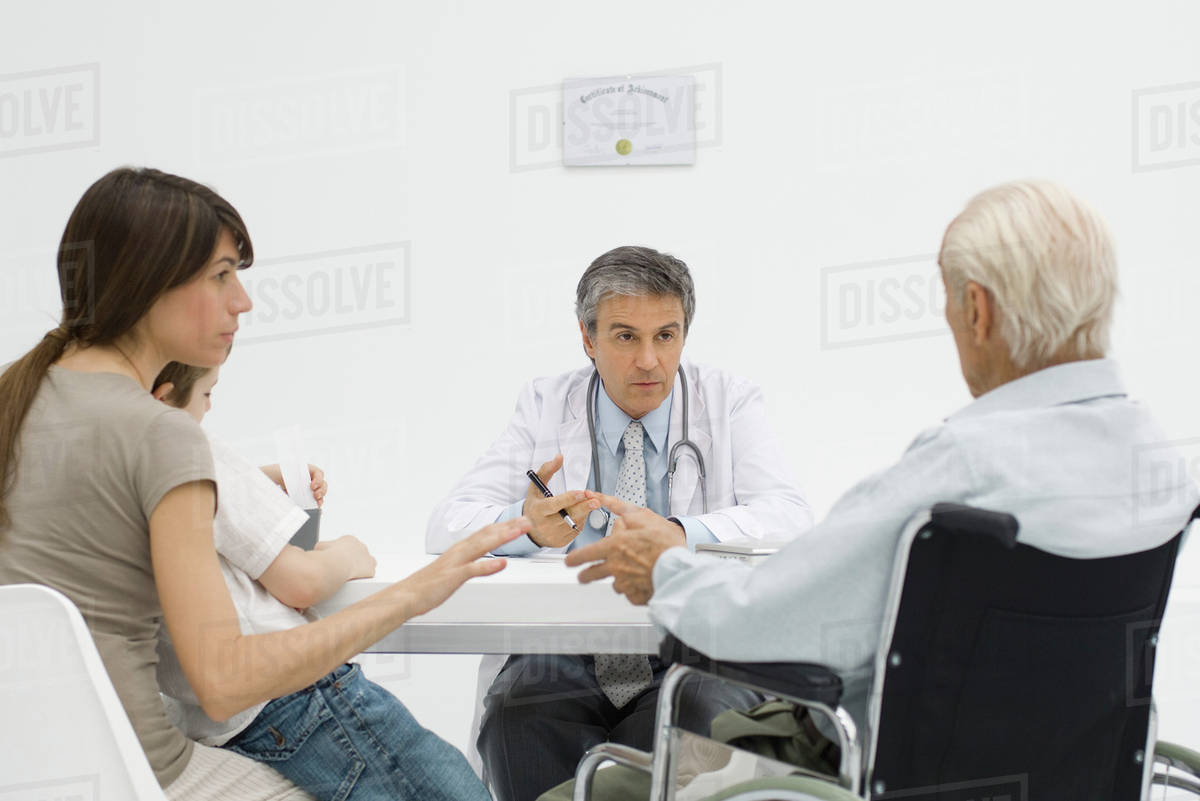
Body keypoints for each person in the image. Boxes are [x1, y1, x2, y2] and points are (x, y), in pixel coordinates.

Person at [552, 180, 1200, 799]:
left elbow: (761, 618)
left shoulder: (961, 472)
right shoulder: (1158, 468)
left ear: (977, 309)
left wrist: (665, 569)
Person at [0, 167, 529, 801]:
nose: (242, 301)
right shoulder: (161, 433)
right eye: (222, 275)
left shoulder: (17, 398)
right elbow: (223, 679)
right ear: (148, 280)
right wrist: (417, 593)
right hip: (141, 773)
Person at [426, 245, 813, 801]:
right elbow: (446, 524)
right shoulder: (544, 405)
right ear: (588, 339)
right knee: (517, 716)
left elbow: (790, 516)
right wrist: (528, 527)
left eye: (666, 335)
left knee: (702, 717)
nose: (650, 361)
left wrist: (679, 535)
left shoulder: (726, 401)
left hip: (686, 644)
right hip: (563, 650)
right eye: (626, 336)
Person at [150, 361, 490, 801]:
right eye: (207, 395)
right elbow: (301, 582)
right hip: (297, 695)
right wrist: (350, 554)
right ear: (164, 397)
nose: (209, 409)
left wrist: (253, 484)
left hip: (214, 724)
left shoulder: (118, 467)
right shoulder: (187, 448)